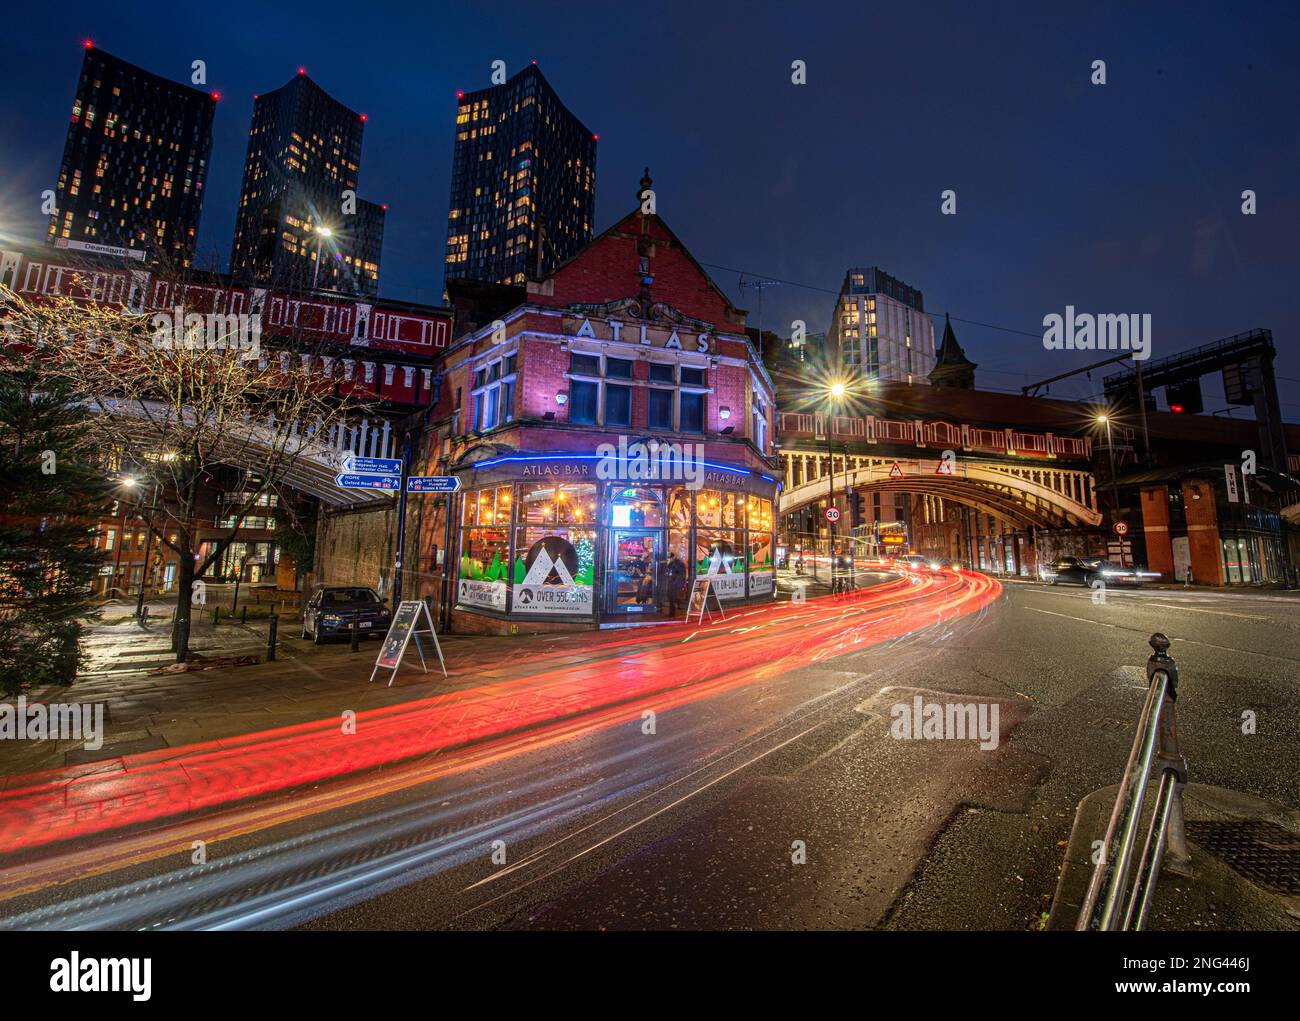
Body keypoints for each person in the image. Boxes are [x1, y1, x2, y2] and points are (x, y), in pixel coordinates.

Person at [663, 550, 687, 615]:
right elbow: (668, 571)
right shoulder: (672, 563)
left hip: (675, 584)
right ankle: (673, 612)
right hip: (672, 583)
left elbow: (681, 575)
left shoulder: (679, 564)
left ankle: (674, 612)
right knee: (672, 598)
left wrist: (677, 583)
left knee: (674, 598)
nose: (669, 559)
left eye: (670, 557)